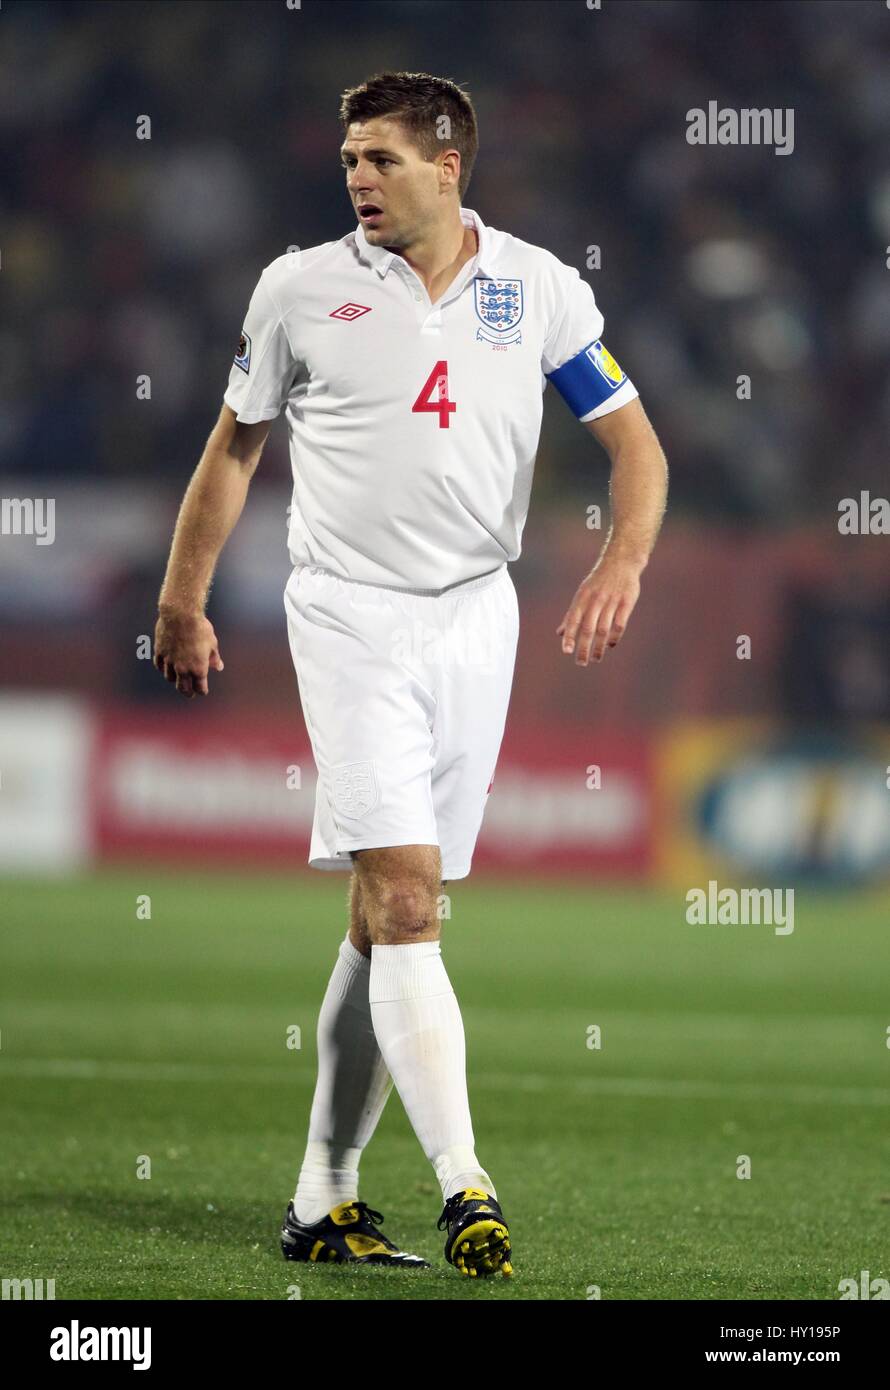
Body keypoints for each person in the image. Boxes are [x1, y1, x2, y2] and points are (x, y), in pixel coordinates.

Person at [153, 70, 668, 1279]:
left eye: (380, 158)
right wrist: (181, 596)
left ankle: (320, 1200)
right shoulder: (300, 287)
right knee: (409, 903)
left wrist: (621, 561)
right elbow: (233, 448)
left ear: (449, 166)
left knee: (382, 923)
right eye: (347, 160)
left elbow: (632, 441)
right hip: (347, 615)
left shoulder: (535, 288)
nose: (355, 179)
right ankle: (464, 1183)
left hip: (474, 621)